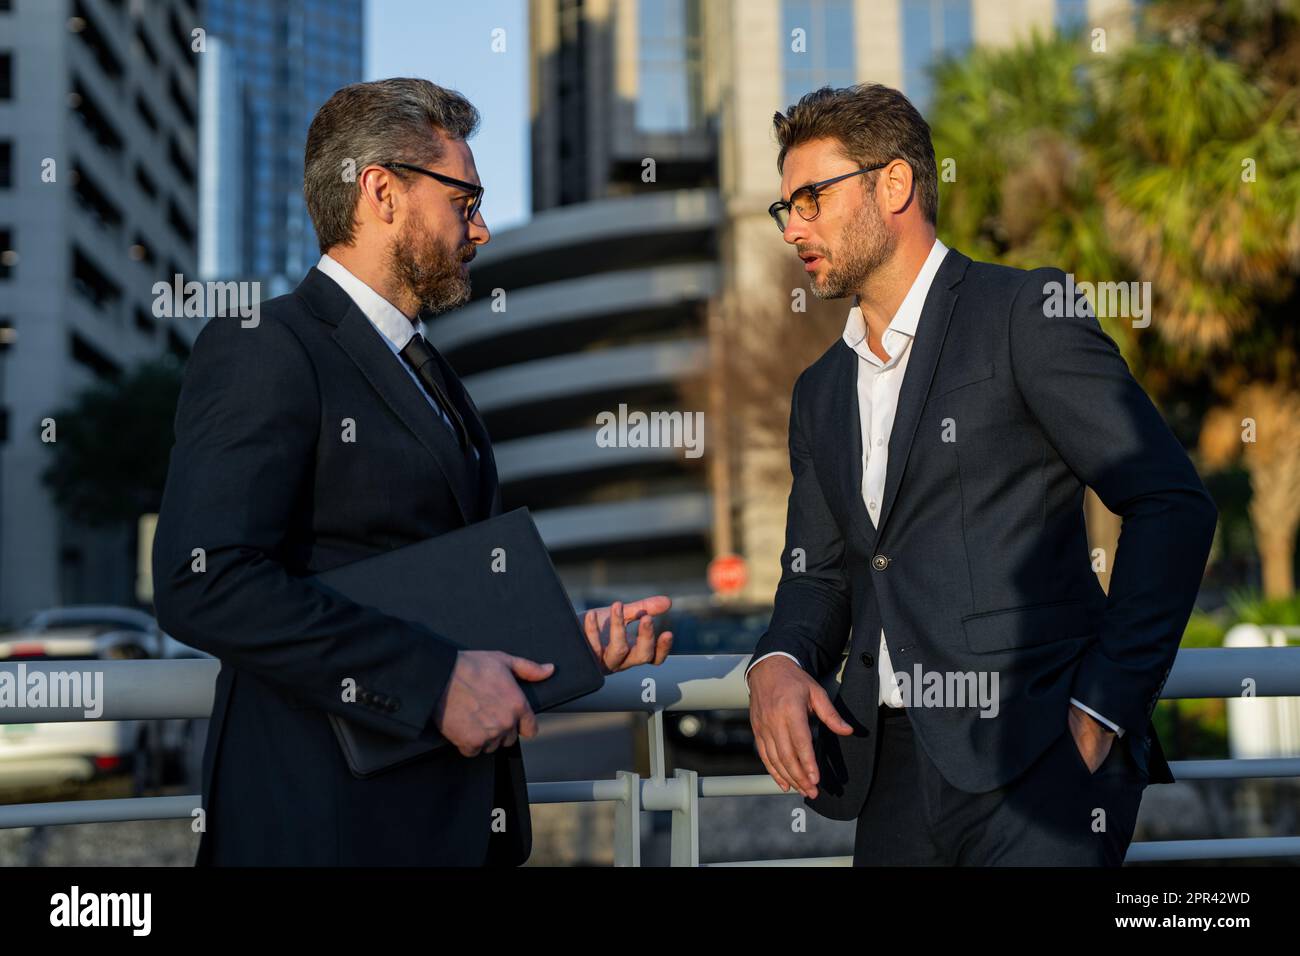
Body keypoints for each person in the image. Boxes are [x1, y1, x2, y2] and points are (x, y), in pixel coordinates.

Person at [152, 78, 672, 866]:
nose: (483, 227)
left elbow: (431, 577)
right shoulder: (267, 344)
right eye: (464, 198)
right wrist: (431, 683)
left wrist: (562, 650)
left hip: (445, 824)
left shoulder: (432, 373)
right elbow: (205, 578)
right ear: (381, 191)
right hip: (326, 827)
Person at [746, 83, 1217, 866]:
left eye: (811, 198)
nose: (793, 226)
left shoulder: (1023, 312)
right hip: (886, 768)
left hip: (1040, 761)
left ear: (892, 184)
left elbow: (1171, 502)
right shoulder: (820, 391)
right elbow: (819, 577)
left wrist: (1100, 712)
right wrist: (777, 663)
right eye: (784, 207)